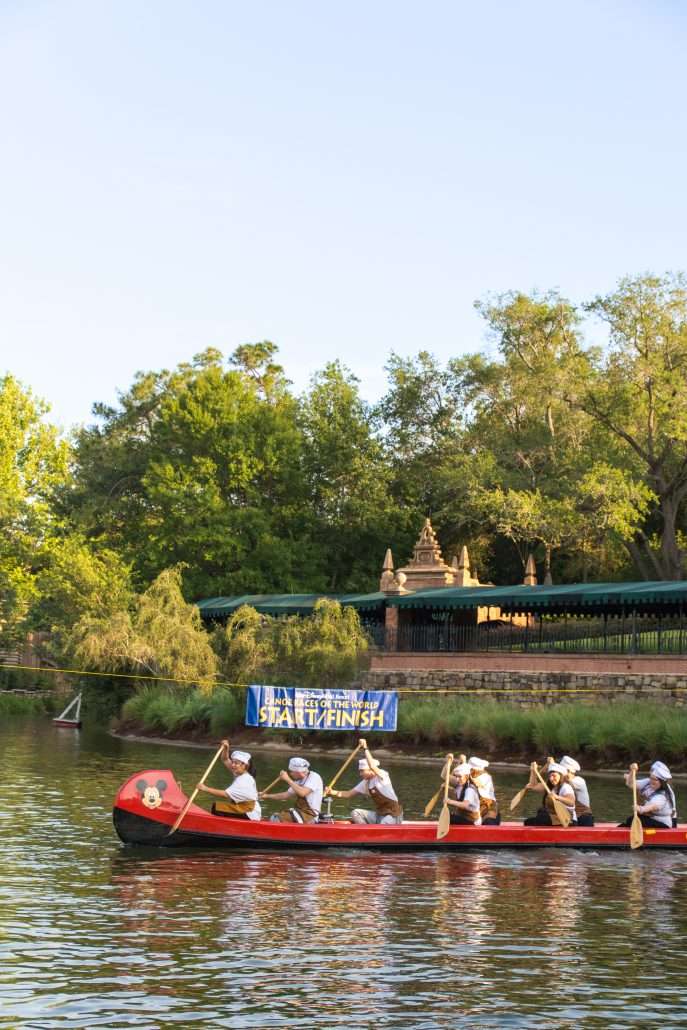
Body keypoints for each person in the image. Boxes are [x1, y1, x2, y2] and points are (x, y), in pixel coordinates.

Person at [325, 739, 403, 824]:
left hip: (393, 815)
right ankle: (365, 833)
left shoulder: (382, 775)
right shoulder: (365, 783)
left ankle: (374, 832)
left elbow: (372, 766)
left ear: (370, 770)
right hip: (379, 815)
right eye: (360, 771)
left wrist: (365, 748)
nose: (360, 774)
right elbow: (348, 794)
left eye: (362, 771)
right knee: (355, 813)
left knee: (384, 823)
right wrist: (332, 792)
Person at [196, 743, 262, 821]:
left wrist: (205, 788)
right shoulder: (239, 772)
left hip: (249, 813)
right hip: (243, 807)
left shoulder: (244, 780)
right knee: (217, 806)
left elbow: (225, 794)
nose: (233, 765)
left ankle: (219, 826)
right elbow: (225, 759)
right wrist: (226, 748)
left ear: (244, 765)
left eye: (236, 763)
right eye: (233, 762)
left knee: (217, 807)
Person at [259, 756, 324, 823]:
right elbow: (285, 795)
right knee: (275, 816)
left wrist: (288, 779)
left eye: (292, 771)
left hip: (311, 815)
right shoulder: (298, 781)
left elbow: (303, 792)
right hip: (301, 812)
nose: (290, 774)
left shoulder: (314, 777)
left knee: (276, 819)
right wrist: (265, 795)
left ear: (298, 771)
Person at [619, 761, 677, 829]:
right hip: (651, 818)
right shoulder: (648, 782)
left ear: (662, 782)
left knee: (632, 820)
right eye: (651, 778)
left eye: (655, 780)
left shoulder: (663, 795)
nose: (651, 781)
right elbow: (631, 784)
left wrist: (641, 809)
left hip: (664, 823)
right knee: (630, 820)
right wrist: (632, 771)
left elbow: (653, 806)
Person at [524, 762, 577, 826]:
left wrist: (557, 797)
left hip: (568, 820)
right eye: (550, 776)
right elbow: (532, 786)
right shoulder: (550, 787)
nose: (551, 778)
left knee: (542, 817)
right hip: (556, 817)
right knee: (528, 821)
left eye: (554, 776)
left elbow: (571, 802)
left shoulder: (566, 787)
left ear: (561, 776)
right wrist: (533, 770)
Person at [559, 755, 594, 826]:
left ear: (567, 771)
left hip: (584, 818)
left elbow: (566, 780)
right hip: (571, 817)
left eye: (560, 770)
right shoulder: (563, 782)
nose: (559, 772)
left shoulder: (579, 781)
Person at [468, 756, 500, 825]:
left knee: (488, 822)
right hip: (478, 810)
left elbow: (477, 783)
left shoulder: (485, 776)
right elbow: (445, 776)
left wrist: (464, 769)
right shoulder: (468, 777)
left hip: (489, 809)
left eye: (470, 770)